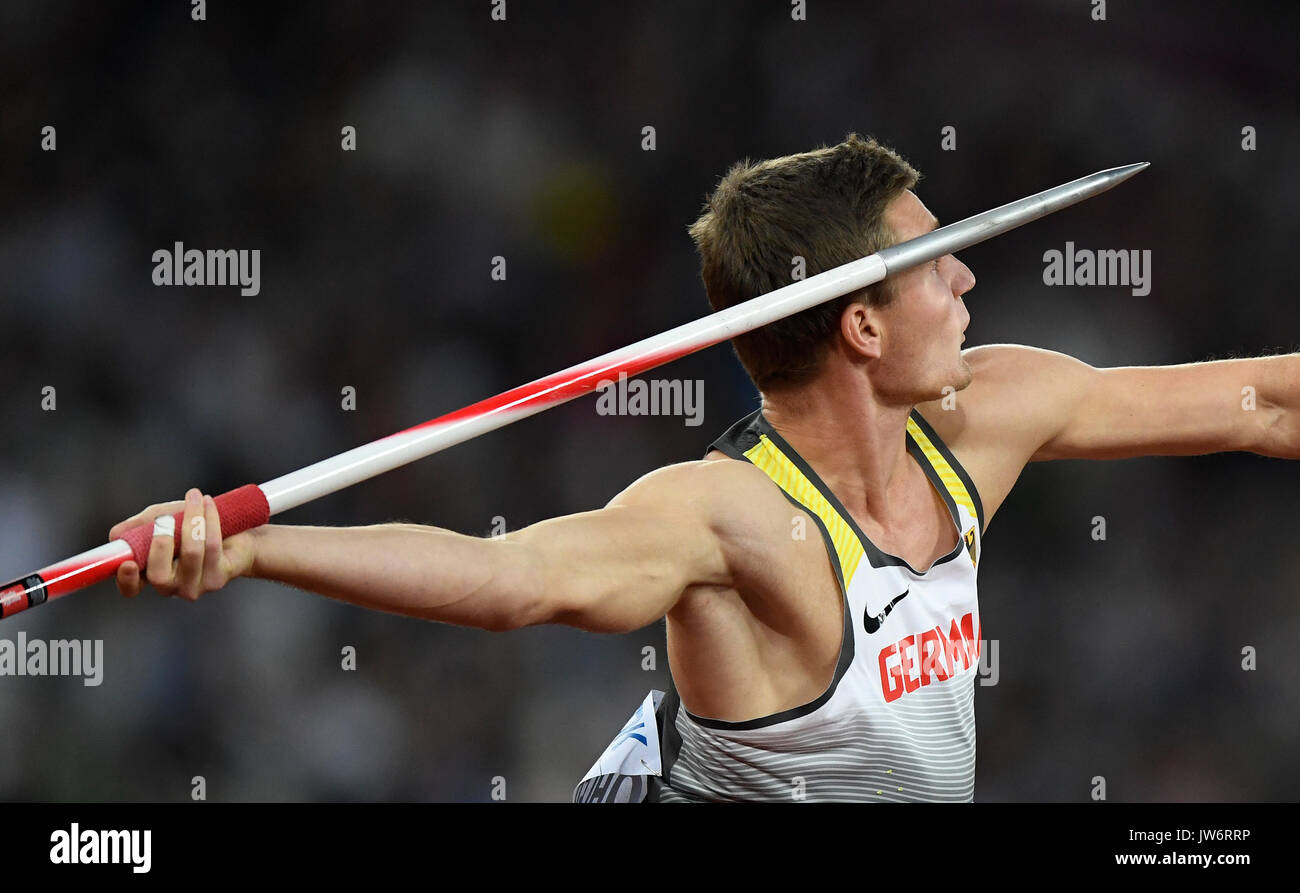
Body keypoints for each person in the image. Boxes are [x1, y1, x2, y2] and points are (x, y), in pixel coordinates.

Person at [111, 134, 1299, 802]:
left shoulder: (986, 409)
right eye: (938, 259)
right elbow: (516, 577)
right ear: (861, 326)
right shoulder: (729, 519)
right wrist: (251, 544)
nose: (967, 281)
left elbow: (1259, 407)